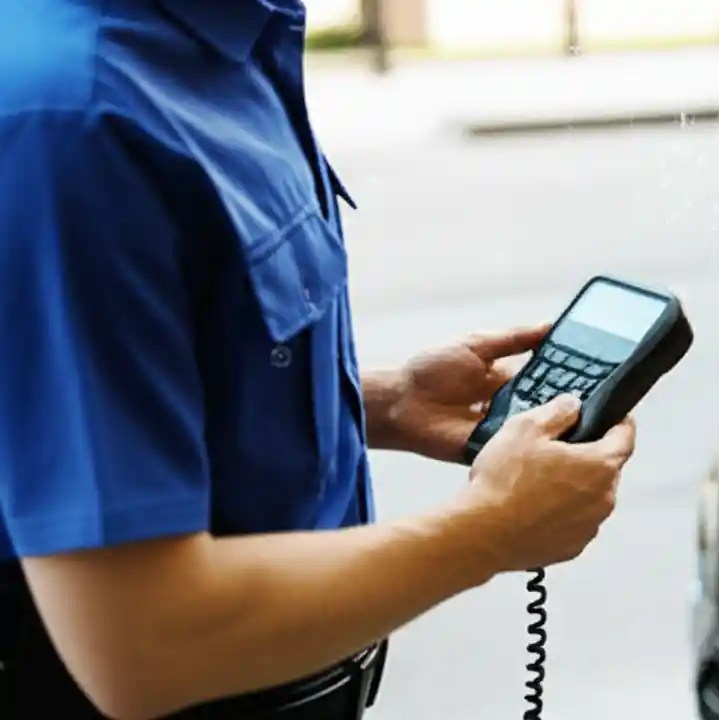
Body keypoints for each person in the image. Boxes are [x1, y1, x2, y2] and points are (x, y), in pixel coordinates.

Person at [0, 1, 637, 718]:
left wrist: (383, 403)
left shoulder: (238, 32)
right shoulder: (75, 119)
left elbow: (131, 384)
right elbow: (138, 642)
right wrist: (490, 528)